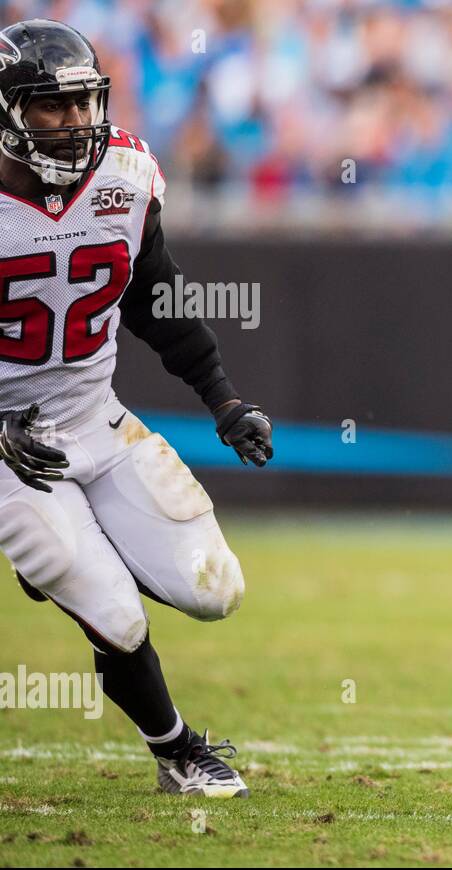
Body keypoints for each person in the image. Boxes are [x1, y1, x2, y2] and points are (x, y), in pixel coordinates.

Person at [0, 19, 273, 797]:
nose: (76, 123)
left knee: (216, 587)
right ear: (7, 111)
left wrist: (223, 398)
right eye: (52, 107)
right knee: (117, 616)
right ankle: (180, 751)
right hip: (8, 447)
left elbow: (158, 297)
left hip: (93, 418)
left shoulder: (124, 174)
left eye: (86, 103)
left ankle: (75, 557)